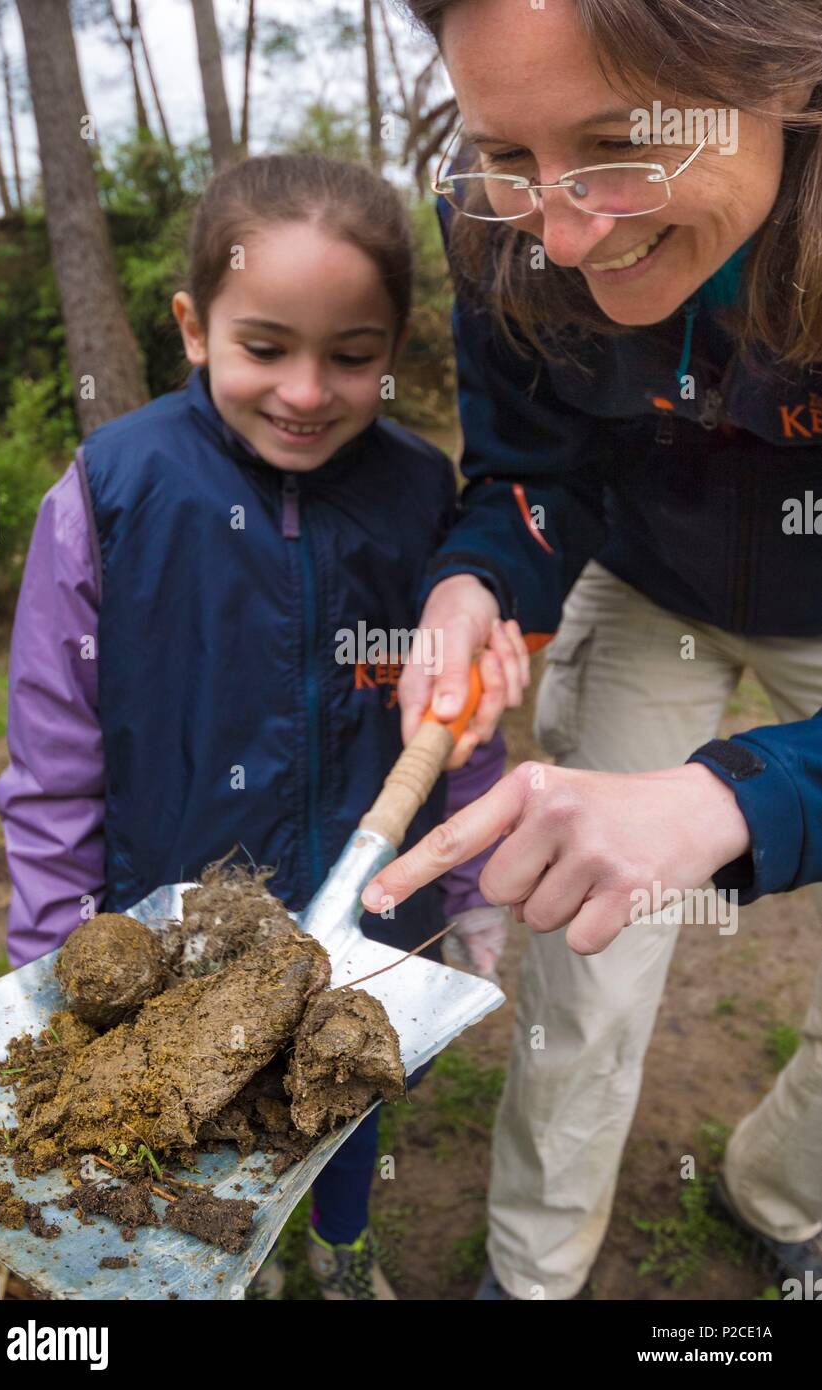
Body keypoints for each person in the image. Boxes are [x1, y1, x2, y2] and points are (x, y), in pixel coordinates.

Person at [362, 0, 822, 1300]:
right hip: (646, 583)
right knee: (587, 950)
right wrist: (474, 575)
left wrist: (735, 795)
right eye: (511, 155)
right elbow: (533, 471)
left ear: (788, 77)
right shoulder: (493, 216)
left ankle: (782, 1190)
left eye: (622, 143)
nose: (563, 235)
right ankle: (533, 1273)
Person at [0, 152, 513, 1301]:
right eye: (265, 347)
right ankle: (236, 1258)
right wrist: (50, 937)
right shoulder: (111, 492)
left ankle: (340, 1249)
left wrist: (470, 890)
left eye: (353, 356)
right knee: (194, 1120)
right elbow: (54, 758)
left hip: (365, 906)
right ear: (194, 325)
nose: (306, 391)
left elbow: (457, 720)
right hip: (172, 910)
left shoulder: (426, 497)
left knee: (338, 1091)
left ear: (395, 348)